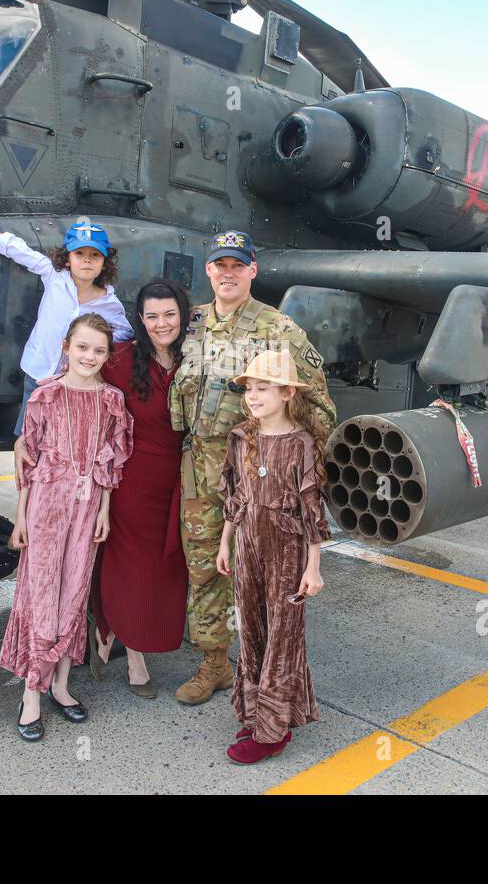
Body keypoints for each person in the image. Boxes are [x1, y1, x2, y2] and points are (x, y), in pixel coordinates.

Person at [168, 230, 335, 706]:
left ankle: (264, 673)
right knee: (204, 571)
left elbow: (319, 407)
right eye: (220, 265)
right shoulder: (194, 322)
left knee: (260, 578)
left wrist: (303, 477)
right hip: (199, 472)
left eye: (237, 266)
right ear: (208, 271)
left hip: (255, 475)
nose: (228, 273)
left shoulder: (278, 329)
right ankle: (214, 665)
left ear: (253, 271)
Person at [0, 313, 133, 742]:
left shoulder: (112, 400)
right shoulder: (46, 396)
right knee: (41, 593)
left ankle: (60, 685)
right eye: (82, 347)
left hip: (89, 503)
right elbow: (28, 464)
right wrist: (20, 518)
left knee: (73, 591)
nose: (89, 356)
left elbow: (111, 464)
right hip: (46, 504)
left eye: (98, 350)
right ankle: (31, 692)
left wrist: (104, 511)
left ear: (107, 355)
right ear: (66, 348)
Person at [0, 211, 132, 486]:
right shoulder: (54, 277)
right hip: (38, 376)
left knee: (62, 447)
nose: (87, 260)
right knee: (27, 443)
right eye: (80, 254)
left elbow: (125, 334)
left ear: (104, 263)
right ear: (68, 257)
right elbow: (13, 247)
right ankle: (29, 501)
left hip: (73, 385)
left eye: (95, 255)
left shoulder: (109, 304)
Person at [216, 348, 330, 764]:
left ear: (286, 393)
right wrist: (225, 541)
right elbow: (235, 496)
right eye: (250, 389)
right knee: (251, 630)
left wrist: (313, 568)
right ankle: (256, 711)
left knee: (283, 636)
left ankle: (271, 732)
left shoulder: (301, 443)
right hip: (247, 543)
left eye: (264, 388)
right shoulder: (242, 437)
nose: (254, 396)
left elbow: (311, 510)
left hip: (287, 548)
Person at [89, 279, 191, 698]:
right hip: (134, 479)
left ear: (182, 315)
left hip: (184, 479)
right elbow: (73, 380)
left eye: (169, 314)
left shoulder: (198, 359)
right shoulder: (121, 360)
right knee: (133, 566)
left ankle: (105, 634)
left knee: (169, 567)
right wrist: (27, 431)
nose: (161, 323)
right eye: (152, 316)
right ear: (140, 319)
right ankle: (134, 657)